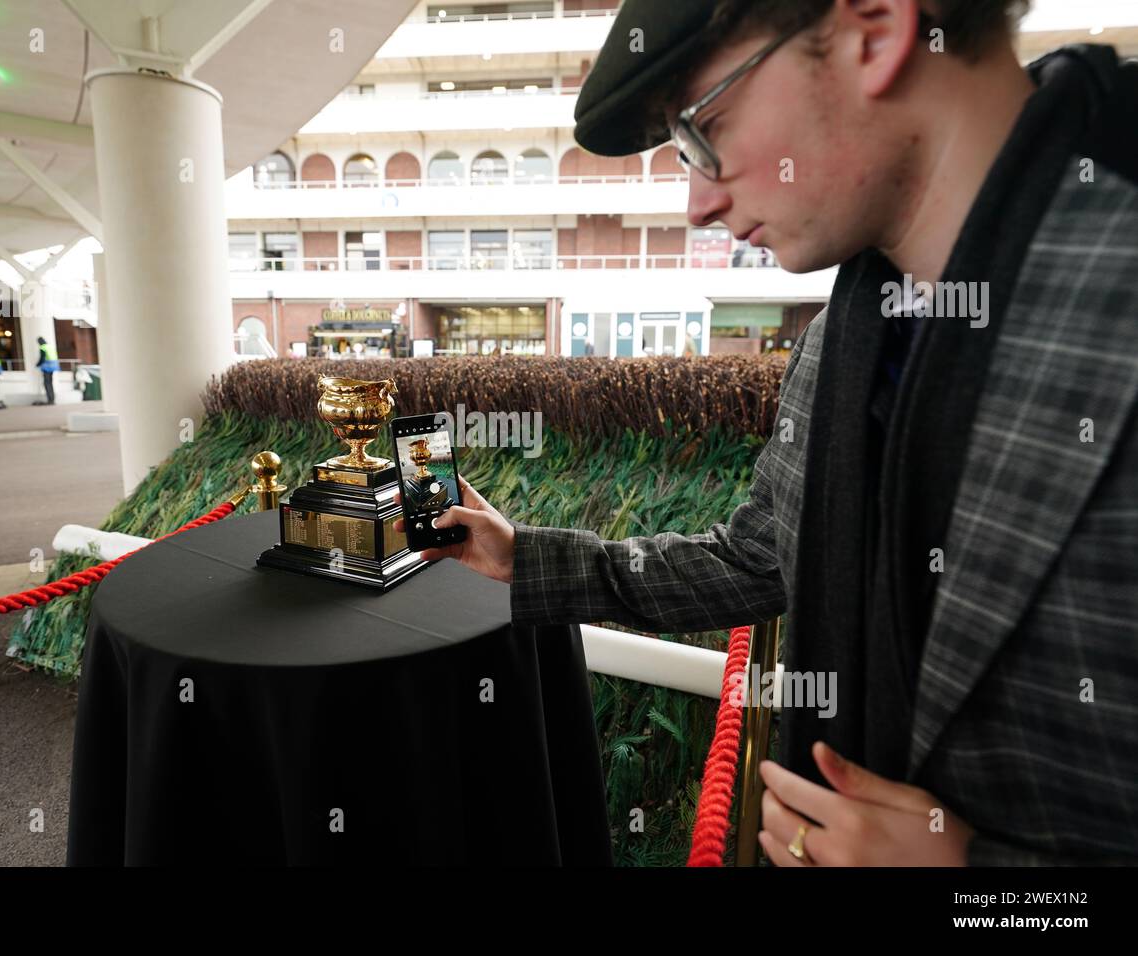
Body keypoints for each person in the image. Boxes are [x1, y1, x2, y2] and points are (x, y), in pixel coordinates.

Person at [393, 0, 1138, 866]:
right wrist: (525, 558)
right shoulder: (853, 320)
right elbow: (764, 556)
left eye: (704, 127)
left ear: (875, 28)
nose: (698, 202)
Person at [35, 335, 59, 405]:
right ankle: (52, 399)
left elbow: (42, 358)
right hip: (54, 366)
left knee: (47, 383)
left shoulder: (42, 347)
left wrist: (37, 364)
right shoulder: (50, 346)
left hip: (47, 367)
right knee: (50, 383)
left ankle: (50, 400)